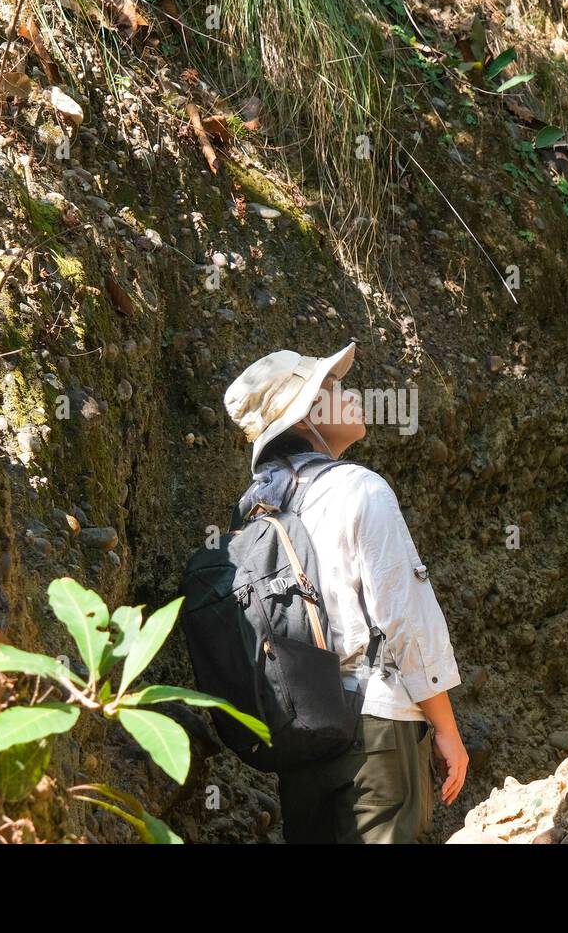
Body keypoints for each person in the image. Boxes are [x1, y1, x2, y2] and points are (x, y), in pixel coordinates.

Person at [223, 342, 468, 843]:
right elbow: (404, 615)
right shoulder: (359, 488)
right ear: (305, 414)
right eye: (331, 387)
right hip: (374, 723)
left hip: (301, 734)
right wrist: (446, 727)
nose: (350, 394)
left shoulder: (249, 514)